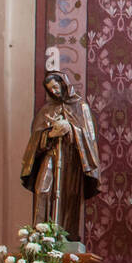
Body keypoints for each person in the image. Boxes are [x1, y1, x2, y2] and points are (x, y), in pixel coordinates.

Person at [20, 72, 101, 241]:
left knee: (67, 197)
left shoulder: (80, 107)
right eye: (51, 90)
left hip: (72, 161)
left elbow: (90, 138)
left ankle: (64, 235)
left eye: (56, 87)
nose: (55, 92)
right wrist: (49, 135)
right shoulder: (46, 110)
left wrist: (70, 129)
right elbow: (35, 140)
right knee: (42, 189)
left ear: (64, 84)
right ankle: (41, 236)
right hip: (50, 155)